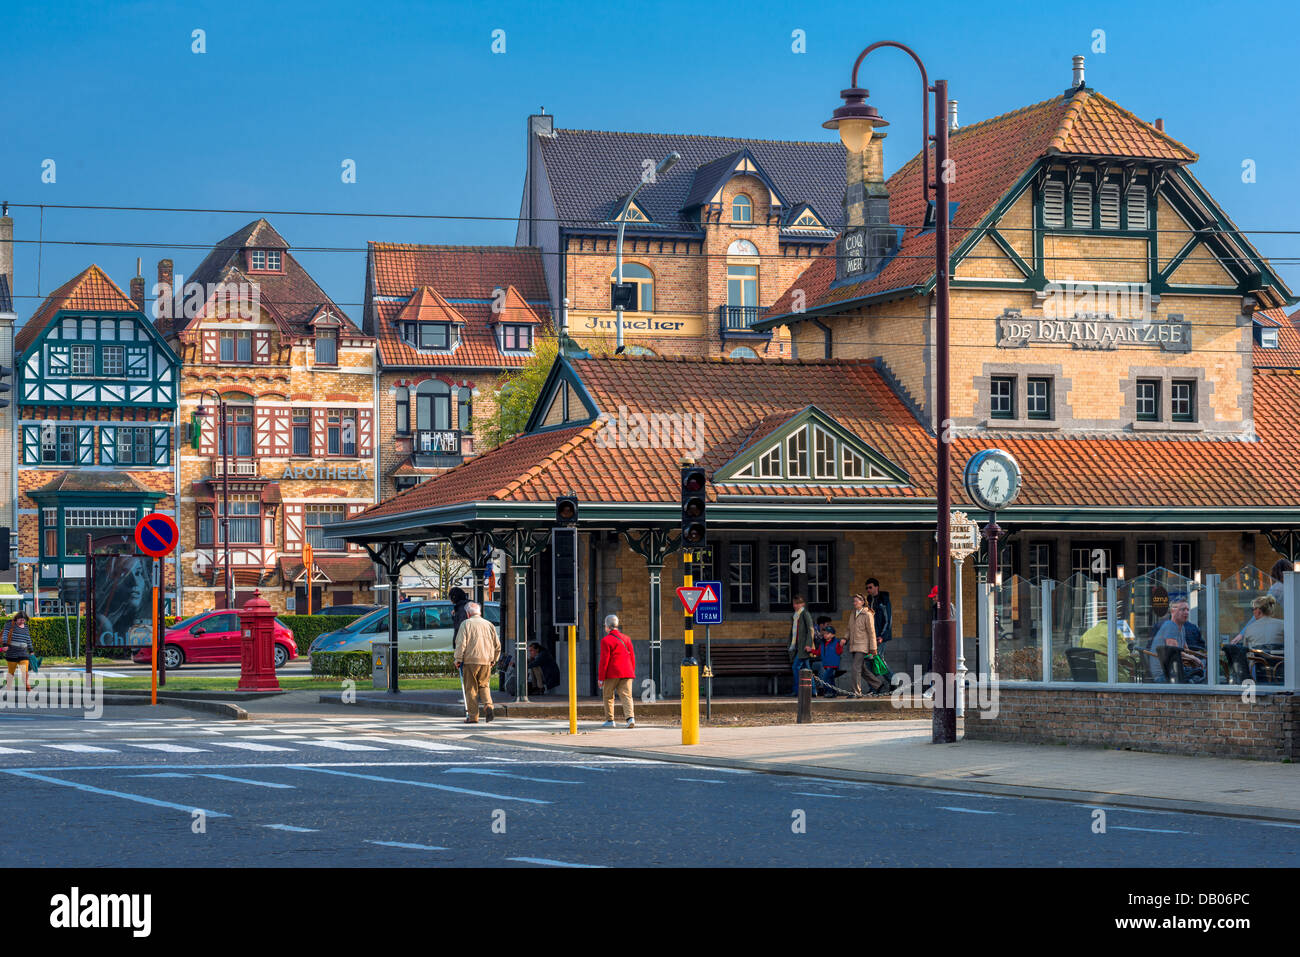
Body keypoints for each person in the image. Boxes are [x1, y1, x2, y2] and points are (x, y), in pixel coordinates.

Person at [452, 602, 500, 723]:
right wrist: (494, 659)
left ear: (468, 613)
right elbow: (497, 645)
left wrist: (458, 659)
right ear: (480, 612)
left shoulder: (466, 624)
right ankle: (488, 705)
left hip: (470, 661)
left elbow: (461, 644)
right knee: (484, 685)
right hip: (486, 660)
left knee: (471, 688)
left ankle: (473, 716)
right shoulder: (489, 624)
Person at [1226, 594, 1285, 683]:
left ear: (1258, 611)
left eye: (1253, 609)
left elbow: (1245, 653)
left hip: (1258, 675)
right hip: (1282, 673)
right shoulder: (1283, 625)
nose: (1253, 612)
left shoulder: (1249, 629)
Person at [1147, 599, 1202, 683]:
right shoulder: (1171, 626)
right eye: (1182, 609)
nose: (1186, 612)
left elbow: (1186, 650)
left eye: (1187, 610)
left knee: (1200, 674)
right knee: (1199, 678)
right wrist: (1194, 658)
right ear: (1172, 611)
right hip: (1165, 675)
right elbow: (1174, 652)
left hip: (1174, 671)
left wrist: (1197, 656)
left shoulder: (1182, 627)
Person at [598, 615, 636, 728]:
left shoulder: (606, 640)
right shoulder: (627, 639)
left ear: (608, 626)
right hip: (627, 672)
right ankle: (630, 718)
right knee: (627, 696)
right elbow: (632, 657)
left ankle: (610, 720)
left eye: (605, 625)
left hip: (612, 673)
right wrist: (631, 671)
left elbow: (604, 660)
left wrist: (601, 678)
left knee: (608, 696)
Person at [846, 593, 886, 695]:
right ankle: (878, 684)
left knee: (855, 668)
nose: (854, 603)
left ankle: (856, 692)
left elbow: (872, 632)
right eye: (853, 601)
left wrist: (873, 648)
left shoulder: (867, 614)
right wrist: (844, 638)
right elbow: (849, 629)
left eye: (856, 601)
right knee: (862, 669)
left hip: (863, 646)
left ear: (862, 602)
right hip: (853, 645)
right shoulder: (852, 613)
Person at [788, 595, 818, 696]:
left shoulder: (805, 614)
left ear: (802, 604)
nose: (795, 605)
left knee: (795, 667)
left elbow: (810, 629)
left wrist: (809, 644)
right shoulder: (795, 616)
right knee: (807, 669)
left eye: (797, 603)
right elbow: (793, 632)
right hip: (798, 647)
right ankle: (813, 691)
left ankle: (797, 690)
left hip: (804, 647)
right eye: (794, 603)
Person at [2, 612, 34, 693]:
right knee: (11, 671)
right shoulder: (10, 624)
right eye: (20, 620)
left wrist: (31, 650)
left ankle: (27, 685)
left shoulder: (26, 627)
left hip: (23, 652)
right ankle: (8, 686)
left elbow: (28, 639)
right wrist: (5, 644)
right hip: (11, 652)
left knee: (25, 670)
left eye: (24, 620)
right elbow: (5, 635)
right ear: (16, 618)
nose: (22, 622)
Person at [815, 617, 842, 697]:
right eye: (827, 624)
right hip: (815, 660)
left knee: (829, 673)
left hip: (828, 661)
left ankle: (831, 691)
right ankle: (823, 688)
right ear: (821, 625)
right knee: (824, 669)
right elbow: (818, 651)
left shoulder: (831, 639)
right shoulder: (815, 635)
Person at [865, 578, 892, 651]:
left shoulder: (883, 600)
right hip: (870, 636)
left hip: (879, 636)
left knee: (878, 658)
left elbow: (888, 619)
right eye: (867, 588)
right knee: (869, 660)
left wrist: (882, 636)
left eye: (870, 587)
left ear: (877, 587)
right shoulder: (869, 600)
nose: (868, 590)